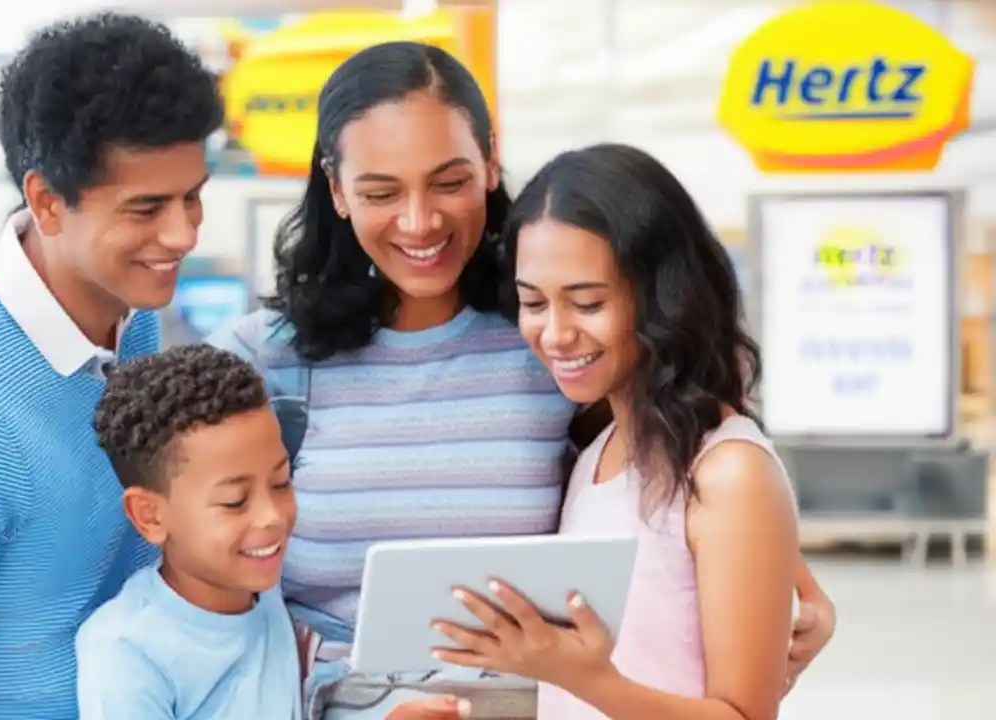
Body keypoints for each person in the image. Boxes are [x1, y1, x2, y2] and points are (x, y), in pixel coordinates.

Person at [206, 42, 834, 720]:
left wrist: (799, 593)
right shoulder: (264, 362)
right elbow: (187, 576)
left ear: (489, 161)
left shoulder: (551, 345)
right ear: (336, 190)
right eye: (381, 193)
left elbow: (680, 477)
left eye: (449, 182)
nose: (420, 222)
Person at [0, 14, 223, 719]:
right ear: (47, 202)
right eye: (146, 208)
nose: (182, 234)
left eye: (192, 196)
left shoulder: (128, 306)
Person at [431, 144, 800, 720]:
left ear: (663, 297)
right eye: (533, 302)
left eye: (587, 303)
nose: (555, 334)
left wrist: (584, 679)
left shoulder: (730, 474)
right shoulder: (597, 455)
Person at [78, 344, 301, 719]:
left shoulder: (265, 588)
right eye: (234, 501)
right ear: (150, 516)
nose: (272, 517)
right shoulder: (124, 651)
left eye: (281, 482)